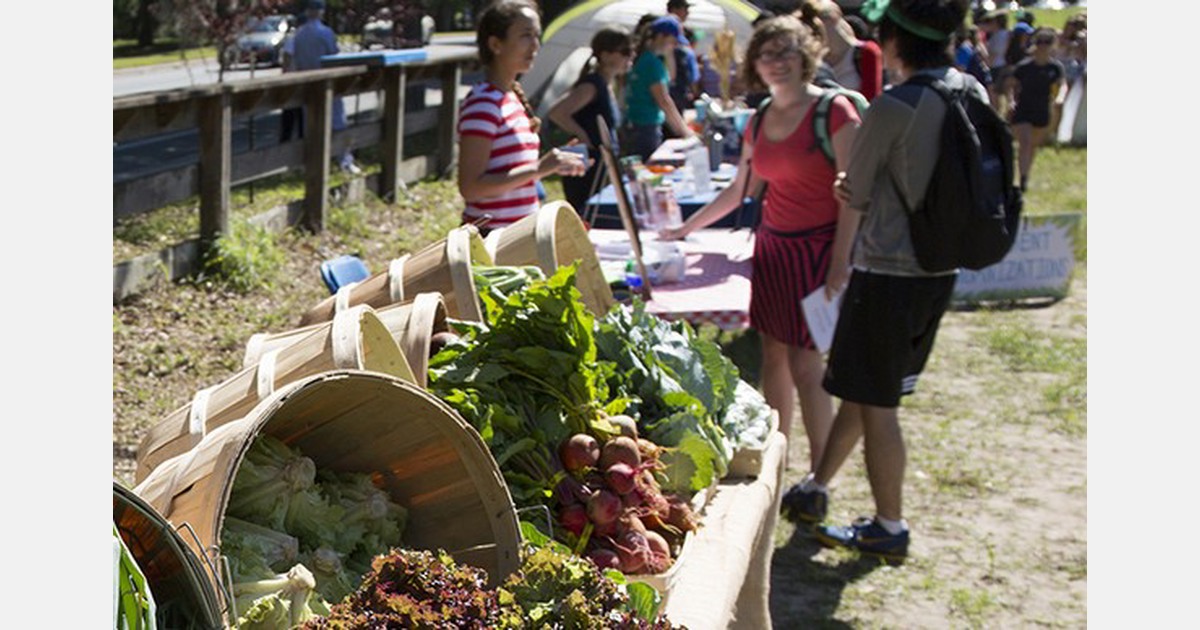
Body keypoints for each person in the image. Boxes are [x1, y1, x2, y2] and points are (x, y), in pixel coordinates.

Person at [780, 0, 977, 565]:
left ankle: (889, 525)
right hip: (938, 269)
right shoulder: (968, 89)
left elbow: (855, 193)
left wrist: (848, 185)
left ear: (891, 42)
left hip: (886, 272)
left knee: (879, 401)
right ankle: (816, 486)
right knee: (863, 387)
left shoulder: (895, 106)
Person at [659, 14, 861, 473]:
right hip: (771, 249)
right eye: (767, 54)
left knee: (807, 364)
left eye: (786, 51)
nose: (776, 62)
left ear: (806, 55)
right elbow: (739, 191)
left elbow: (855, 196)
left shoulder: (835, 111)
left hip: (818, 250)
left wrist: (840, 262)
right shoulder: (759, 117)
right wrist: (685, 230)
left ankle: (820, 478)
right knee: (772, 353)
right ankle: (778, 459)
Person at [457, 0, 587, 233]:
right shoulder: (482, 103)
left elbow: (512, 172)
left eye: (537, 35)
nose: (535, 45)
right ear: (496, 44)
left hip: (518, 238)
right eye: (526, 35)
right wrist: (540, 168)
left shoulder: (512, 96)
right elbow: (471, 188)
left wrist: (556, 163)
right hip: (492, 242)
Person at [546, 26, 635, 217]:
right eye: (626, 51)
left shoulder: (606, 84)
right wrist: (583, 135)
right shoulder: (592, 84)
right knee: (586, 218)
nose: (631, 56)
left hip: (600, 166)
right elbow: (557, 113)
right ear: (605, 55)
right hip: (587, 167)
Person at [292, 0, 358, 173]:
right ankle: (344, 161)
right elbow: (334, 56)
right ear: (321, 12)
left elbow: (295, 60)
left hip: (307, 83)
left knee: (311, 124)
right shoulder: (326, 32)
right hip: (329, 82)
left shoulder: (298, 35)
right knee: (337, 121)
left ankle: (312, 162)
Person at [623, 15, 696, 162]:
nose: (675, 46)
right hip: (645, 129)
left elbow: (671, 77)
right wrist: (684, 131)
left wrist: (668, 54)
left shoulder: (645, 58)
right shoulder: (652, 63)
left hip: (635, 126)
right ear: (661, 36)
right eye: (673, 41)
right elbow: (664, 100)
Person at [1007, 26, 1066, 191]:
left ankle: (1025, 172)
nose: (1043, 46)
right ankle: (1023, 179)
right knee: (1025, 143)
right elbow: (1011, 85)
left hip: (1042, 110)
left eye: (1047, 42)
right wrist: (1011, 101)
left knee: (1032, 145)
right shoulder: (1024, 67)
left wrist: (1060, 98)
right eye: (1040, 42)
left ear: (1053, 45)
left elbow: (1062, 84)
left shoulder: (1055, 68)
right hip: (1023, 108)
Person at [800, 0, 884, 102]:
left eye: (815, 25)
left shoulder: (866, 52)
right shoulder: (808, 56)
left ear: (833, 19)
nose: (812, 31)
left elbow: (871, 99)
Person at [666, 0, 701, 130]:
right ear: (675, 9)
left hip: (681, 90)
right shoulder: (666, 31)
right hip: (671, 90)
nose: (687, 13)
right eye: (684, 9)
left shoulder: (684, 32)